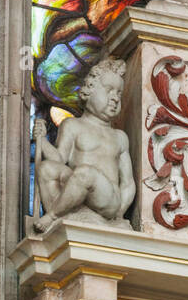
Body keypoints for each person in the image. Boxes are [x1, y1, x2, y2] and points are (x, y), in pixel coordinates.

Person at [33, 57, 134, 233]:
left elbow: (128, 183)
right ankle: (65, 215)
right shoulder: (72, 125)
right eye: (109, 90)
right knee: (46, 169)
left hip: (108, 199)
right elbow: (59, 159)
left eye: (119, 93)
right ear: (89, 91)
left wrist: (119, 214)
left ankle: (53, 216)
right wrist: (41, 139)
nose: (115, 98)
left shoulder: (119, 137)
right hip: (79, 186)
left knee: (86, 173)